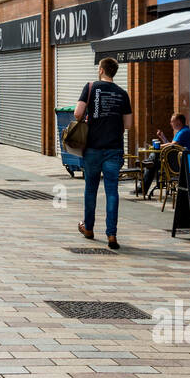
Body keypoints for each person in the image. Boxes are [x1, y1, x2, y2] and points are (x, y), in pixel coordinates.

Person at [74, 58, 133, 250]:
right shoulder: (123, 94)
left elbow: (77, 113)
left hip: (92, 147)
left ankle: (89, 228)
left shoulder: (91, 87)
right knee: (112, 191)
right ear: (114, 72)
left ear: (101, 70)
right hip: (114, 149)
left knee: (91, 189)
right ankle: (112, 234)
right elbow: (129, 125)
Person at [142, 113, 190, 196]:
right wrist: (162, 137)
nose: (171, 123)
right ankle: (148, 164)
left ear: (178, 122)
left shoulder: (184, 132)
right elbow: (171, 146)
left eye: (172, 121)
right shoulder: (182, 131)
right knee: (153, 161)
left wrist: (156, 146)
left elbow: (172, 145)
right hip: (177, 160)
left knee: (154, 160)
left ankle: (146, 166)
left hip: (180, 163)